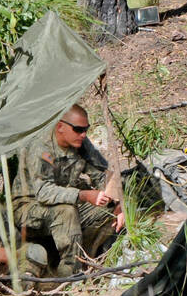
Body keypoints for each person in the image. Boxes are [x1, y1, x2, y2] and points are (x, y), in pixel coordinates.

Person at [12, 103, 124, 276]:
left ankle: (92, 255)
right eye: (78, 129)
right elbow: (43, 192)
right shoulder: (40, 147)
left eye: (86, 129)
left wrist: (117, 203)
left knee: (109, 210)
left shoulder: (80, 143)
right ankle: (69, 273)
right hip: (28, 209)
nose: (83, 134)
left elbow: (103, 175)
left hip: (64, 203)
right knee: (66, 211)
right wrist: (84, 195)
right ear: (60, 127)